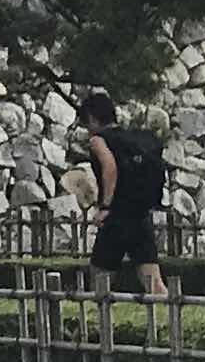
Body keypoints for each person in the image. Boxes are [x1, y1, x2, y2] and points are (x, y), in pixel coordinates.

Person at [73, 88, 170, 307]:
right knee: (154, 282)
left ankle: (99, 321)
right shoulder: (132, 140)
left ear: (92, 119)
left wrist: (106, 206)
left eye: (86, 123)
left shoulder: (99, 141)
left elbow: (109, 167)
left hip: (117, 218)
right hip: (140, 216)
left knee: (100, 278)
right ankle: (171, 320)